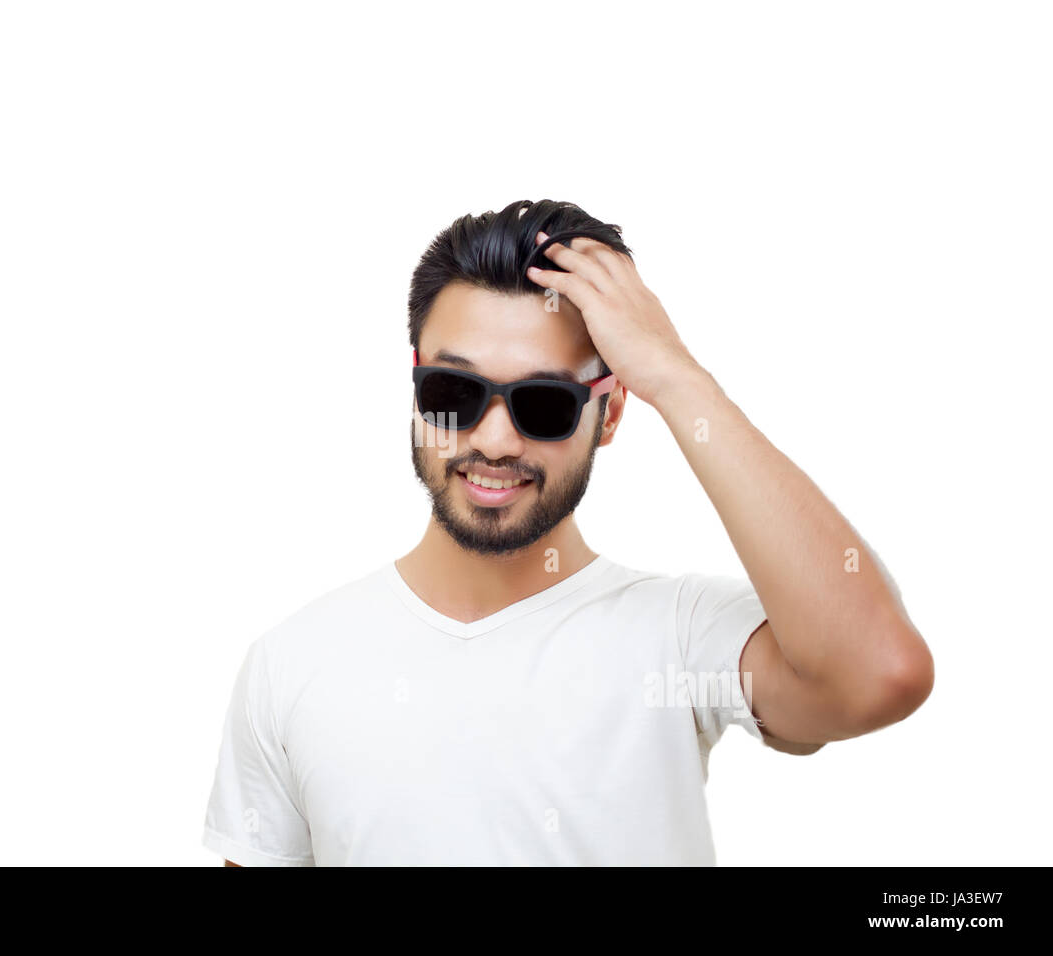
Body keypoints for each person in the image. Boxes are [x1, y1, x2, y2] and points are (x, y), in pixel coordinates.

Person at [201, 198, 934, 866]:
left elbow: (878, 673)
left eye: (543, 402)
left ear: (609, 414)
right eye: (454, 392)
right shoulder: (290, 665)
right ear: (417, 389)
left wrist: (675, 376)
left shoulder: (680, 638)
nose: (492, 439)